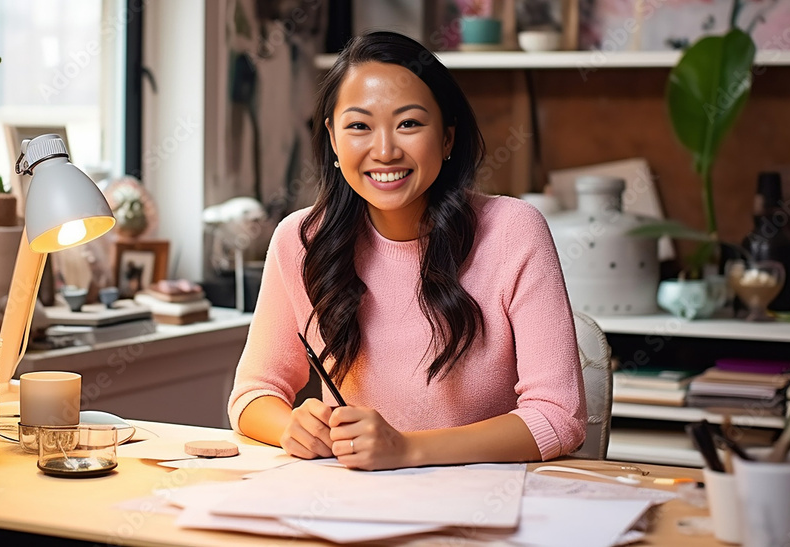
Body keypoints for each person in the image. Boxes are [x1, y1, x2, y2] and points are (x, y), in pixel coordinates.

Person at [227, 31, 586, 471]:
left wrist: (408, 450)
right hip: (356, 506)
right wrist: (290, 428)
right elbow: (252, 393)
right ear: (333, 139)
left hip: (484, 508)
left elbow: (559, 417)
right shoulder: (300, 241)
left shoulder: (514, 231)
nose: (384, 151)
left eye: (409, 124)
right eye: (359, 126)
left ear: (448, 138)